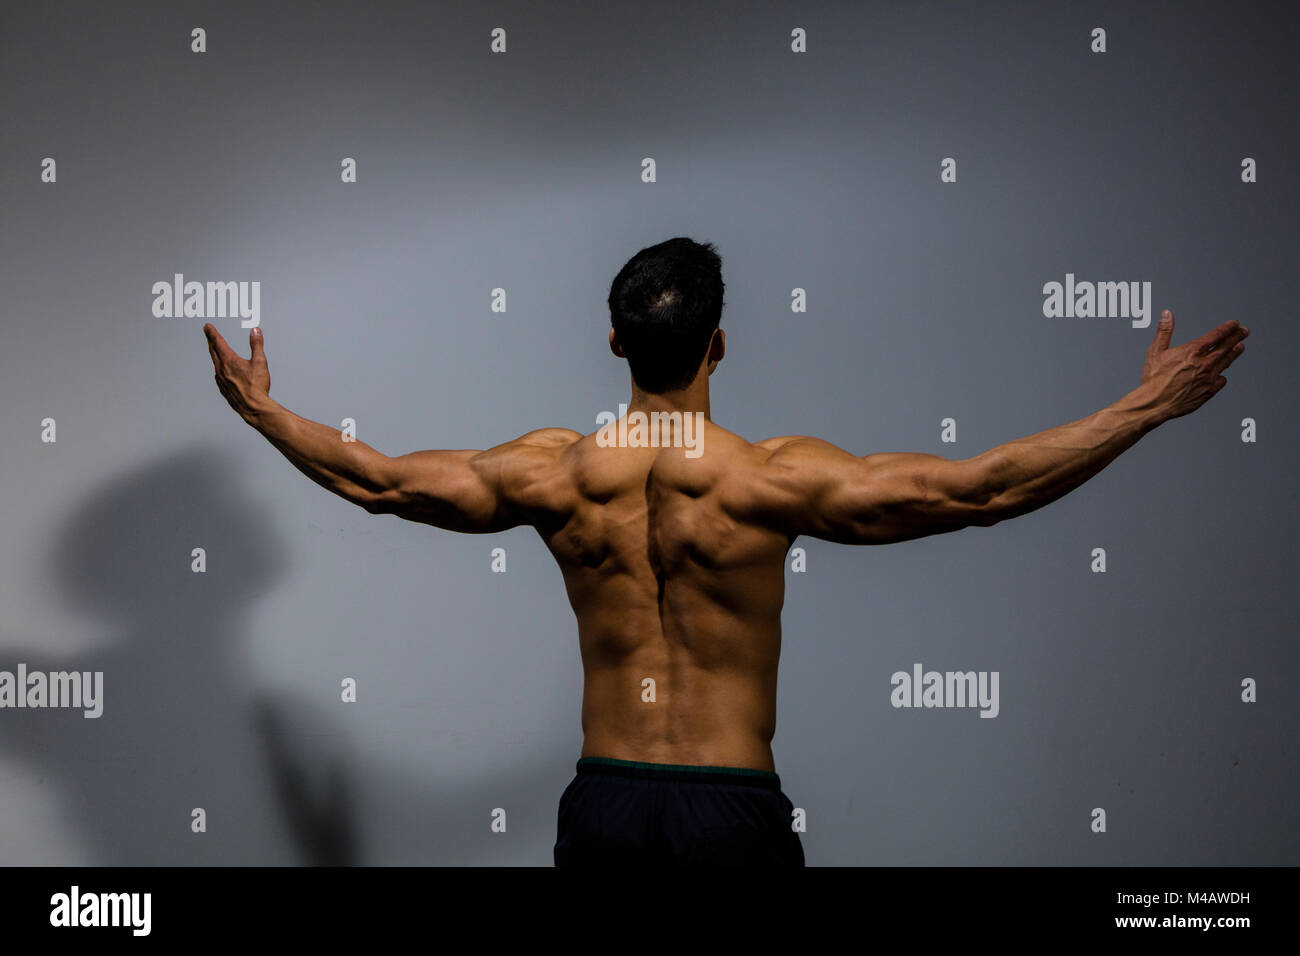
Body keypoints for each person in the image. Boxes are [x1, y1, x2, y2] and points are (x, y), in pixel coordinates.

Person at [203, 236, 1249, 866]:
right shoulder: (768, 479)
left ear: (615, 342)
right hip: (731, 812)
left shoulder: (554, 471)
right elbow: (976, 490)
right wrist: (1141, 408)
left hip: (605, 803)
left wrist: (263, 413)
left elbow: (378, 479)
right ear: (717, 341)